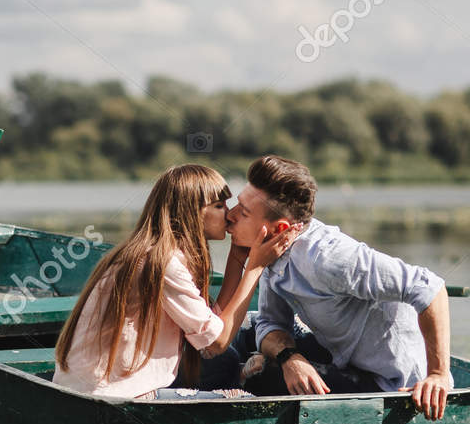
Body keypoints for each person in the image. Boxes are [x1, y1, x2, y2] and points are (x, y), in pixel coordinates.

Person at [228, 155, 455, 420]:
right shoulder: (271, 251)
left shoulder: (330, 258)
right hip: (343, 358)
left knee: (263, 374)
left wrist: (437, 375)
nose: (230, 217)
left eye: (243, 212)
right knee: (246, 332)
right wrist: (291, 358)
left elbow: (429, 288)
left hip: (391, 382)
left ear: (279, 229)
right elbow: (269, 323)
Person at [52, 163, 295, 400]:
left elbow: (211, 336)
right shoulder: (163, 264)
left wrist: (236, 259)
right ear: (193, 212)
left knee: (226, 361)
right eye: (220, 205)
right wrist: (255, 267)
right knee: (242, 398)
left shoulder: (150, 251)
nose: (230, 215)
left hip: (90, 385)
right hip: (114, 394)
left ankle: (239, 375)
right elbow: (216, 341)